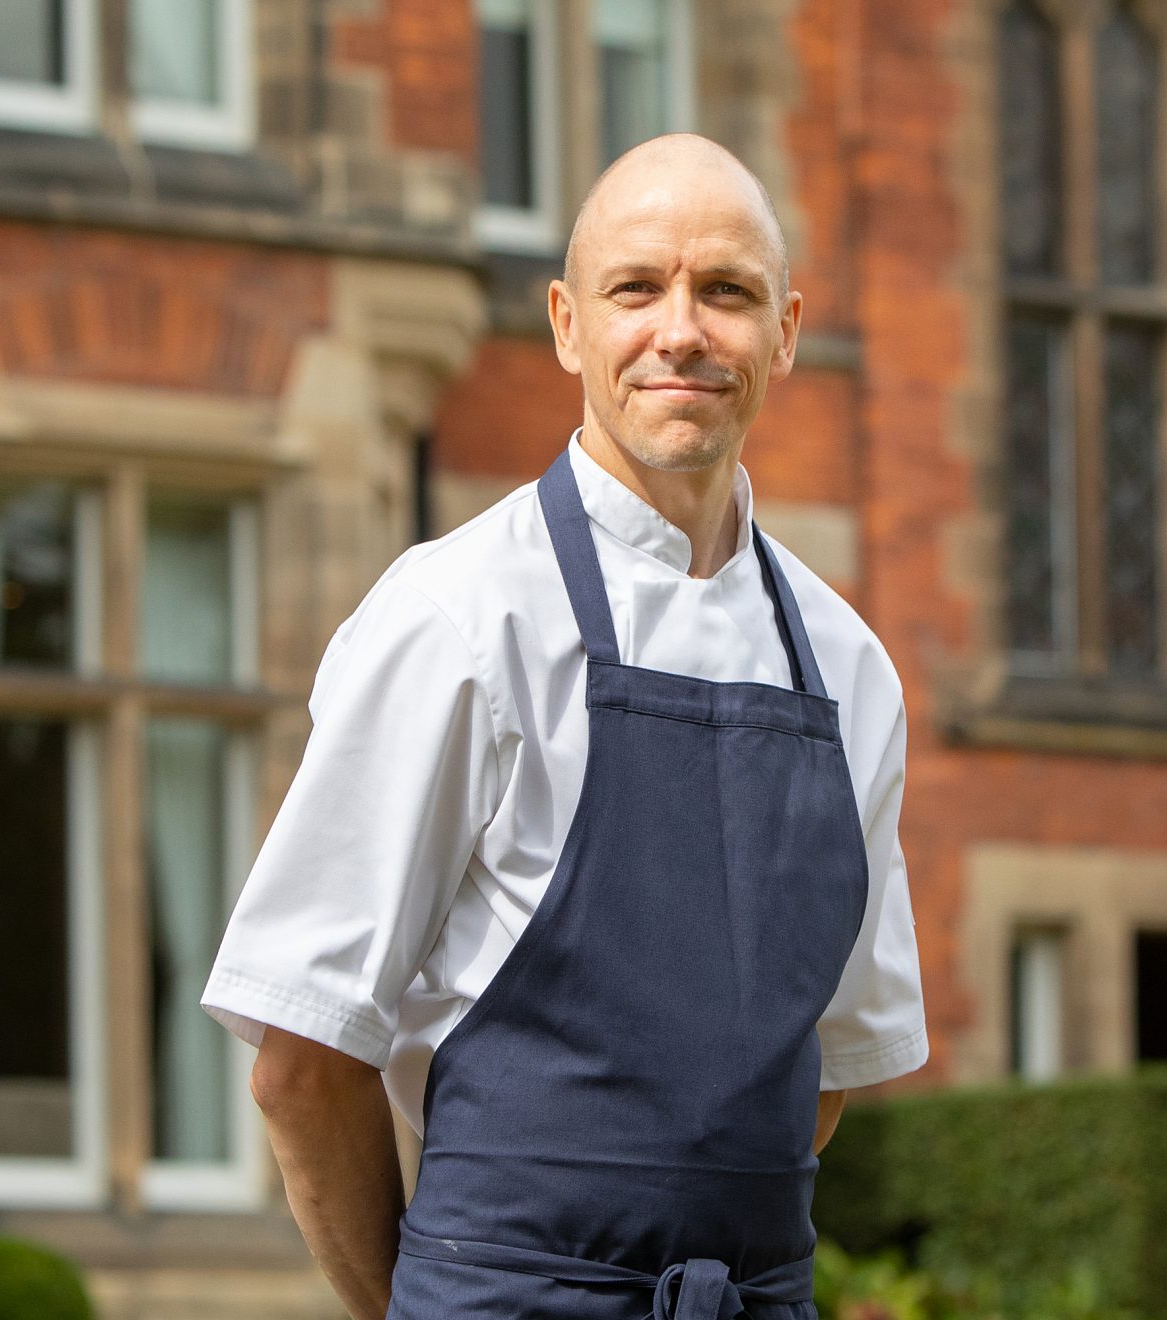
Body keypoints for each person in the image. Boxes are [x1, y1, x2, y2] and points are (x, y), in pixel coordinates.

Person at [201, 132, 928, 1320]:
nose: (681, 331)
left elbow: (820, 1071)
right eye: (636, 288)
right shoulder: (454, 618)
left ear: (787, 331)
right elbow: (301, 1062)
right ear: (566, 325)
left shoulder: (849, 670)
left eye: (727, 293)